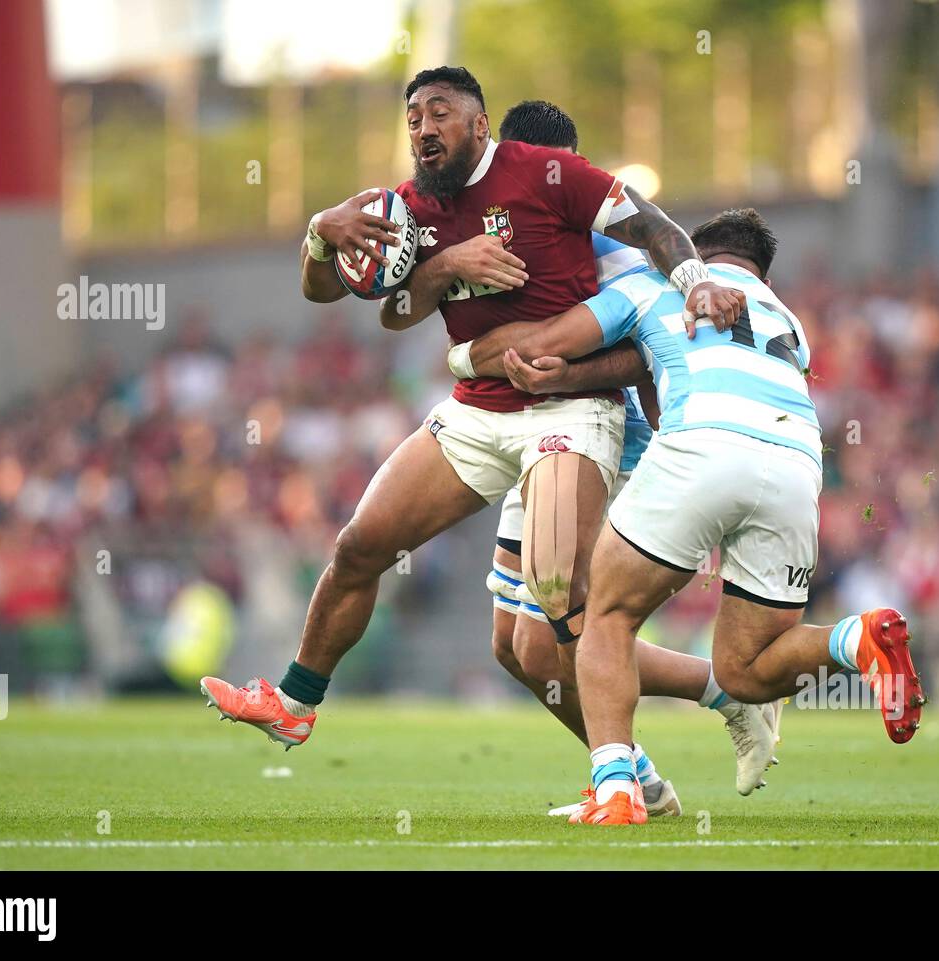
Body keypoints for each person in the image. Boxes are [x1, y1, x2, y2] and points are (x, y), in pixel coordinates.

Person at [199, 69, 775, 797]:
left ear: (481, 125)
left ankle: (623, 779)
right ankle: (293, 702)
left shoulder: (550, 175)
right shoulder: (406, 208)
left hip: (574, 411)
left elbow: (656, 237)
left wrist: (694, 281)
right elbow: (383, 306)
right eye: (412, 117)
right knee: (366, 548)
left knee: (559, 597)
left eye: (440, 112)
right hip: (480, 410)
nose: (422, 127)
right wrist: (324, 236)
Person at [452, 208, 925, 824]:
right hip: (797, 463)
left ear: (693, 260)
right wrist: (575, 374)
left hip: (703, 443)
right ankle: (856, 639)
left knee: (603, 615)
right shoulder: (789, 321)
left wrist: (466, 357)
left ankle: (620, 789)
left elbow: (544, 343)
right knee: (748, 668)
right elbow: (659, 355)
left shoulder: (658, 284)